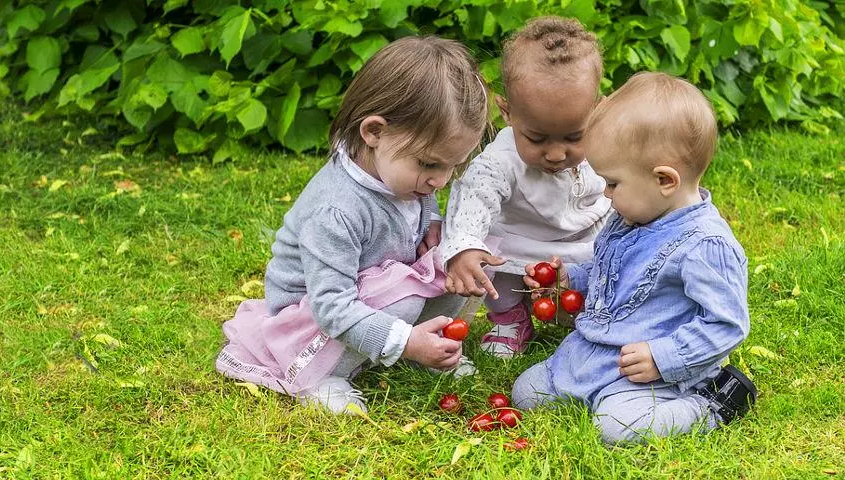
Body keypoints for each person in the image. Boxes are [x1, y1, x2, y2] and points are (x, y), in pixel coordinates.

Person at [215, 36, 489, 414]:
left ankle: (425, 346)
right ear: (374, 132)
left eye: (452, 167)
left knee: (460, 261)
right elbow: (332, 307)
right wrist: (403, 338)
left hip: (379, 285)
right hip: (314, 318)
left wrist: (436, 228)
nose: (440, 181)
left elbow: (425, 206)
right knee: (406, 303)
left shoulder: (403, 173)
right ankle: (323, 377)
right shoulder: (336, 209)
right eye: (430, 164)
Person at [511, 72, 757, 444]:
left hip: (647, 371)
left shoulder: (704, 245)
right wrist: (571, 281)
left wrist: (664, 356)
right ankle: (592, 389)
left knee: (616, 428)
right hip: (592, 353)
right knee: (525, 394)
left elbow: (727, 323)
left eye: (613, 183)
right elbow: (610, 272)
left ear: (664, 181)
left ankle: (711, 405)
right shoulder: (632, 216)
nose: (606, 194)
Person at [441, 16, 612, 358]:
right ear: (507, 112)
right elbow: (474, 200)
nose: (556, 153)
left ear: (598, 110)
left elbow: (623, 189)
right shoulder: (500, 161)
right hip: (518, 246)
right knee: (493, 264)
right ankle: (509, 317)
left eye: (573, 136)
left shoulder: (608, 144)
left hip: (584, 244)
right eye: (536, 137)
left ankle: (587, 314)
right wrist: (465, 247)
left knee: (607, 273)